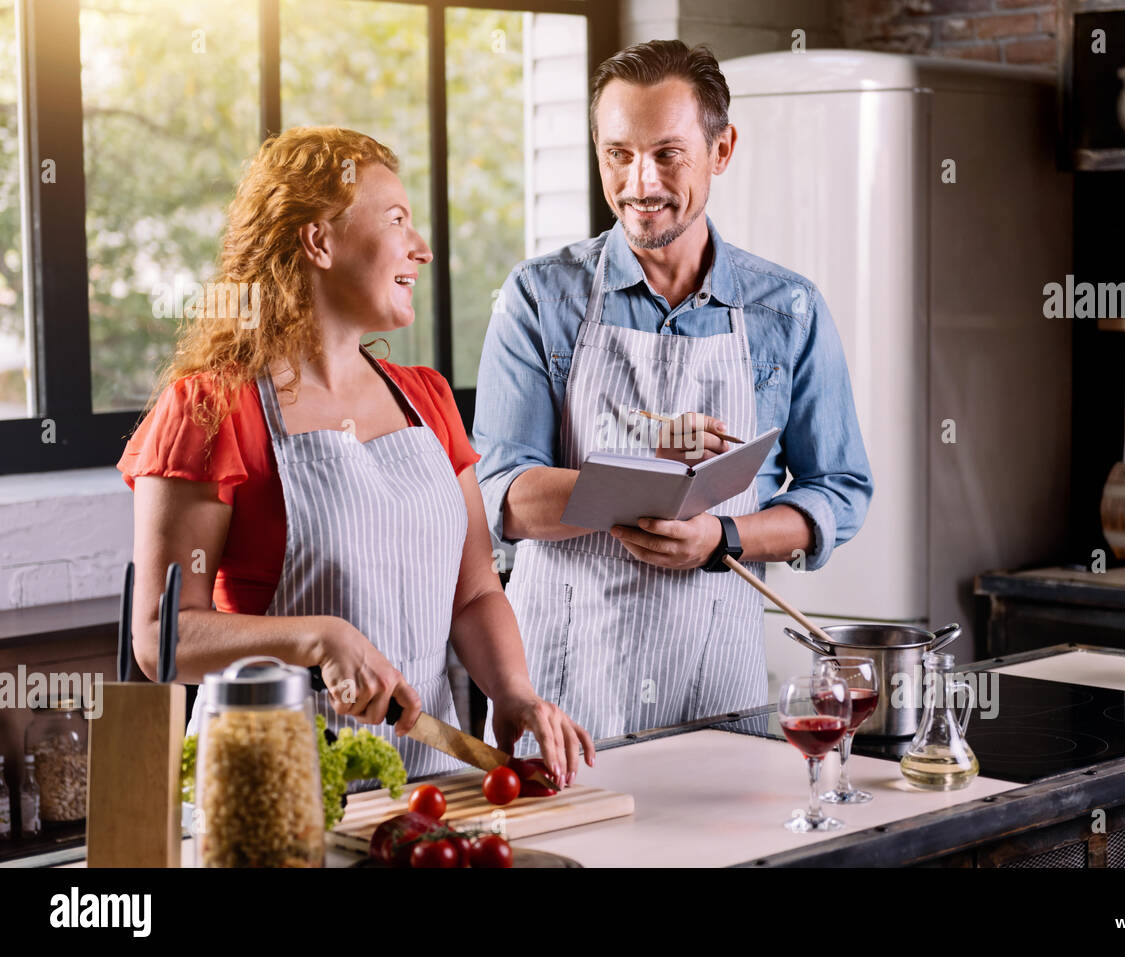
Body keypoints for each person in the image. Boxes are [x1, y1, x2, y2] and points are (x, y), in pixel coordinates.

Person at [118, 126, 592, 787]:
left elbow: (476, 590)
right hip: (273, 794)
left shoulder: (427, 400)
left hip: (429, 785)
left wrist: (513, 692)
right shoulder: (211, 408)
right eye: (397, 220)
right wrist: (316, 639)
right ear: (319, 240)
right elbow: (159, 640)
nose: (421, 249)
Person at [474, 41, 873, 748]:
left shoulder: (789, 310)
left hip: (717, 689)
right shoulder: (539, 299)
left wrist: (723, 536)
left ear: (722, 150)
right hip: (563, 694)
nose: (639, 183)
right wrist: (645, 477)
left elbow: (839, 490)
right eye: (617, 154)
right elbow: (504, 495)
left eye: (666, 154)